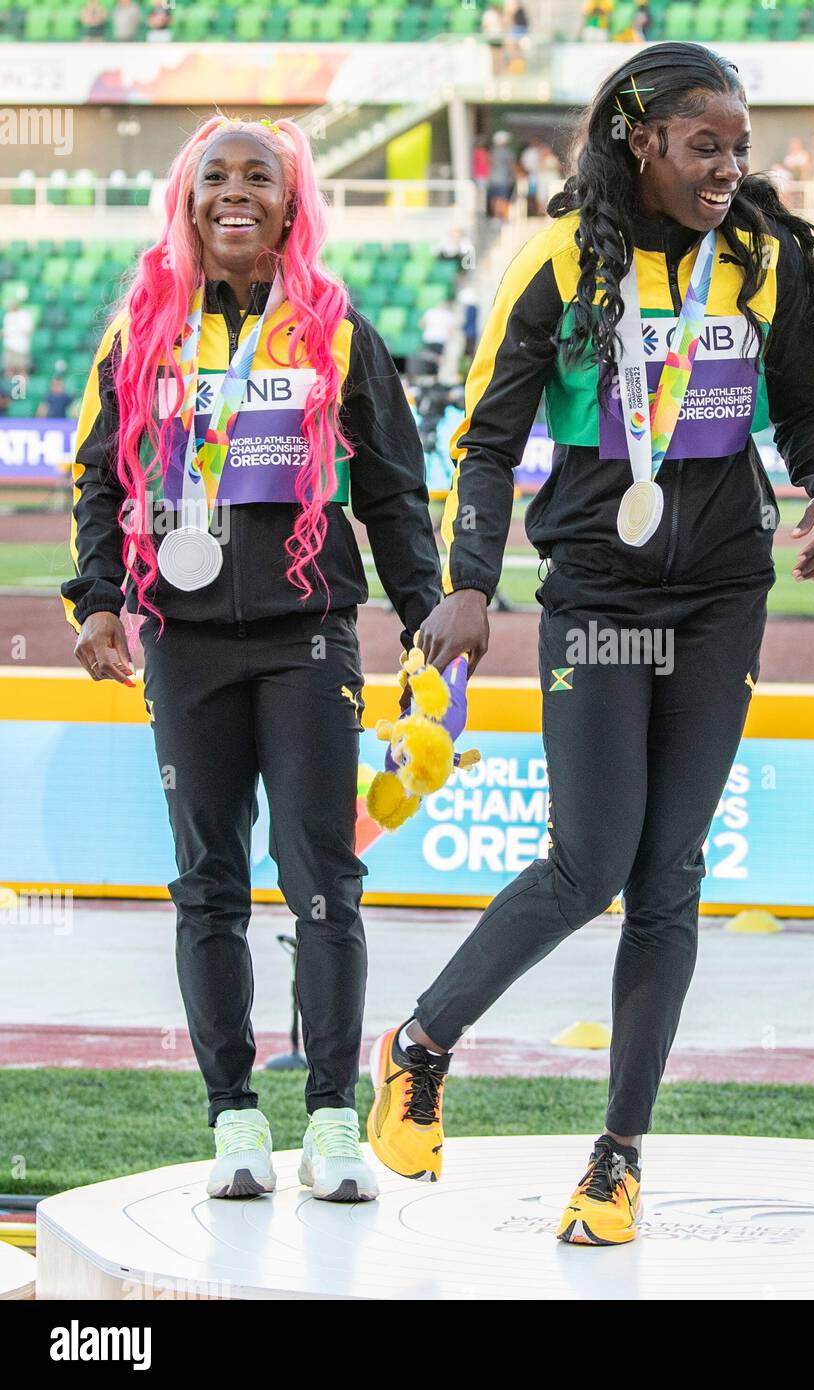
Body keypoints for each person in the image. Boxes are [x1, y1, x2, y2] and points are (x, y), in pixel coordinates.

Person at [366, 41, 814, 1246]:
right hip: (598, 594)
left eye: (740, 149)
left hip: (725, 591)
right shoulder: (554, 257)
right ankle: (423, 1040)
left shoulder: (762, 255)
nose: (729, 170)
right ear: (642, 140)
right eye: (706, 147)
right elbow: (486, 439)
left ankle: (619, 1157)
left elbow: (804, 404)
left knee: (673, 874)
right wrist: (469, 584)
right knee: (591, 863)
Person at [61, 115, 440, 1204]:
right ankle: (233, 1115)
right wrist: (96, 602)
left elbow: (393, 490)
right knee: (206, 887)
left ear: (288, 204)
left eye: (258, 178)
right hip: (181, 643)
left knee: (324, 880)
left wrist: (425, 612)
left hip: (305, 633)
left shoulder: (333, 329)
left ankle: (327, 1117)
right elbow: (99, 477)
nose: (235, 192)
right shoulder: (142, 327)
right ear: (186, 202)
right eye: (212, 176)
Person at [2, 297, 34, 379]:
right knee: (9, 369)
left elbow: (29, 331)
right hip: (9, 346)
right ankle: (8, 388)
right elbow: (6, 330)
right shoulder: (8, 315)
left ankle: (23, 389)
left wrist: (17, 332)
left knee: (21, 369)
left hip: (21, 347)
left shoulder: (24, 315)